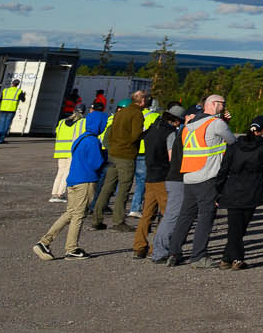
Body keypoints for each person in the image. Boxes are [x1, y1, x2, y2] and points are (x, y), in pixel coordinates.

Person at [151, 93, 231, 266]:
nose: (224, 107)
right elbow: (231, 142)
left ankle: (173, 252)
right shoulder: (215, 123)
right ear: (215, 104)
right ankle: (198, 256)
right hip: (207, 176)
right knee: (205, 217)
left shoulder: (188, 126)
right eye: (222, 104)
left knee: (185, 216)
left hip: (189, 176)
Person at [34, 108, 109, 259]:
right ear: (99, 124)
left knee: (70, 213)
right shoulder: (93, 141)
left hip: (73, 180)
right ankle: (72, 248)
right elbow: (96, 163)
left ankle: (45, 241)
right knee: (79, 215)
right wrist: (105, 157)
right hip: (85, 181)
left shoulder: (81, 138)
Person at [214, 116, 263, 269]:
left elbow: (224, 169)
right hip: (252, 190)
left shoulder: (235, 145)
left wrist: (218, 190)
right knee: (241, 226)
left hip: (232, 189)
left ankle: (226, 258)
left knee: (235, 226)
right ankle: (237, 259)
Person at [133, 101, 185, 258]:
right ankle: (158, 247)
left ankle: (139, 246)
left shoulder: (151, 129)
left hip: (150, 176)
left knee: (147, 214)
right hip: (164, 177)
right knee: (168, 214)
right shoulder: (170, 133)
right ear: (176, 120)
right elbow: (171, 157)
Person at [92, 92, 147, 232]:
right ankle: (118, 221)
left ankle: (97, 218)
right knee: (124, 188)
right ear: (142, 101)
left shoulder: (119, 113)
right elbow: (135, 135)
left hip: (113, 154)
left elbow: (109, 134)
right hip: (126, 156)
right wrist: (145, 134)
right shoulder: (137, 114)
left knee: (107, 187)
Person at [50, 104, 83, 200]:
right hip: (71, 151)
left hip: (60, 151)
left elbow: (57, 132)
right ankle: (60, 194)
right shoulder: (81, 122)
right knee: (67, 172)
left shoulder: (61, 122)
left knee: (60, 172)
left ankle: (54, 193)